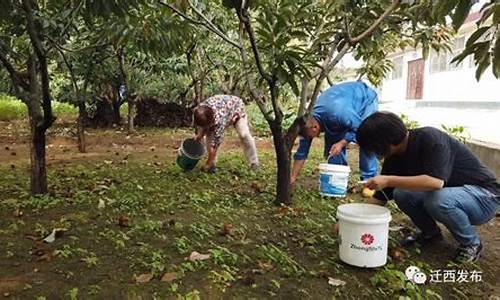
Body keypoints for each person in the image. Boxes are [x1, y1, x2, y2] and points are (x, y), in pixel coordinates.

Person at [356, 112, 500, 262]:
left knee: (438, 199)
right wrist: (354, 221)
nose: (373, 153)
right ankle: (431, 234)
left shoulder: (431, 139)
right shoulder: (394, 157)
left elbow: (435, 182)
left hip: (484, 197)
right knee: (401, 193)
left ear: (385, 142)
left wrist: (388, 180)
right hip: (451, 195)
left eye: (372, 147)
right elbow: (379, 198)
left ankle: (472, 243)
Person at [292, 81, 379, 197]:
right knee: (333, 147)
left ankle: (369, 181)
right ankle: (338, 180)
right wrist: (292, 177)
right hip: (342, 106)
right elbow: (302, 151)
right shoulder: (308, 123)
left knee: (367, 137)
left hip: (365, 99)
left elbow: (360, 127)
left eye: (310, 137)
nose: (309, 139)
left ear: (315, 128)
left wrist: (343, 142)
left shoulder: (338, 114)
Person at [193, 95, 259, 173]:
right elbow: (202, 128)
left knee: (244, 134)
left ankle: (254, 163)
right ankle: (212, 165)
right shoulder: (198, 111)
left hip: (237, 108)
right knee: (209, 137)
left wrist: (208, 163)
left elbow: (215, 143)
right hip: (222, 112)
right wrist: (199, 135)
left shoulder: (219, 118)